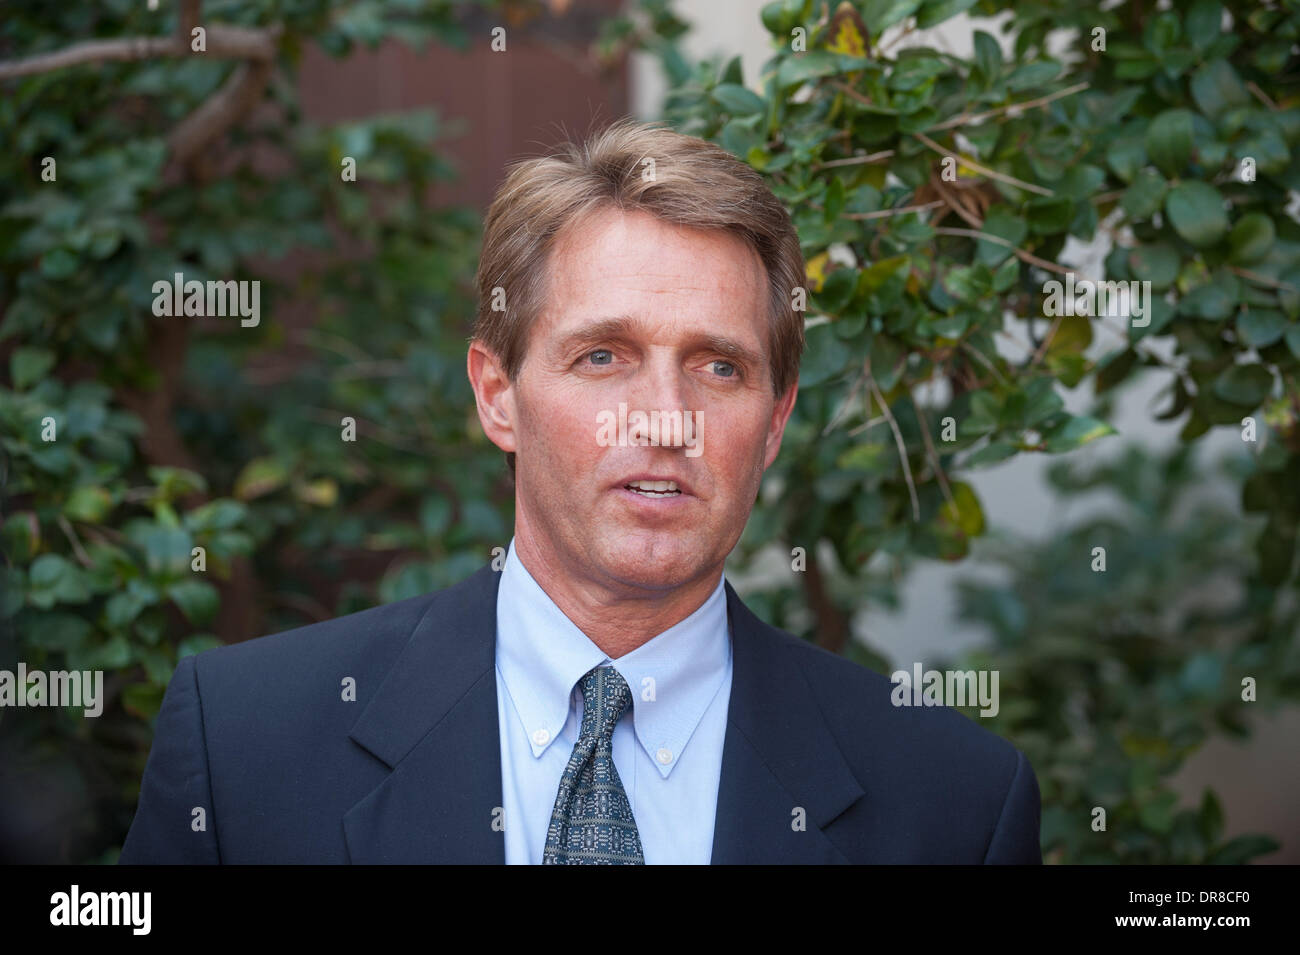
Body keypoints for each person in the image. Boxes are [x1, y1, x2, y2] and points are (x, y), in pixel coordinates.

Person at [120, 119, 1041, 864]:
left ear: (772, 422)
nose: (663, 419)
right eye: (604, 356)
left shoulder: (954, 804)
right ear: (497, 394)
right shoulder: (244, 746)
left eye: (720, 367)